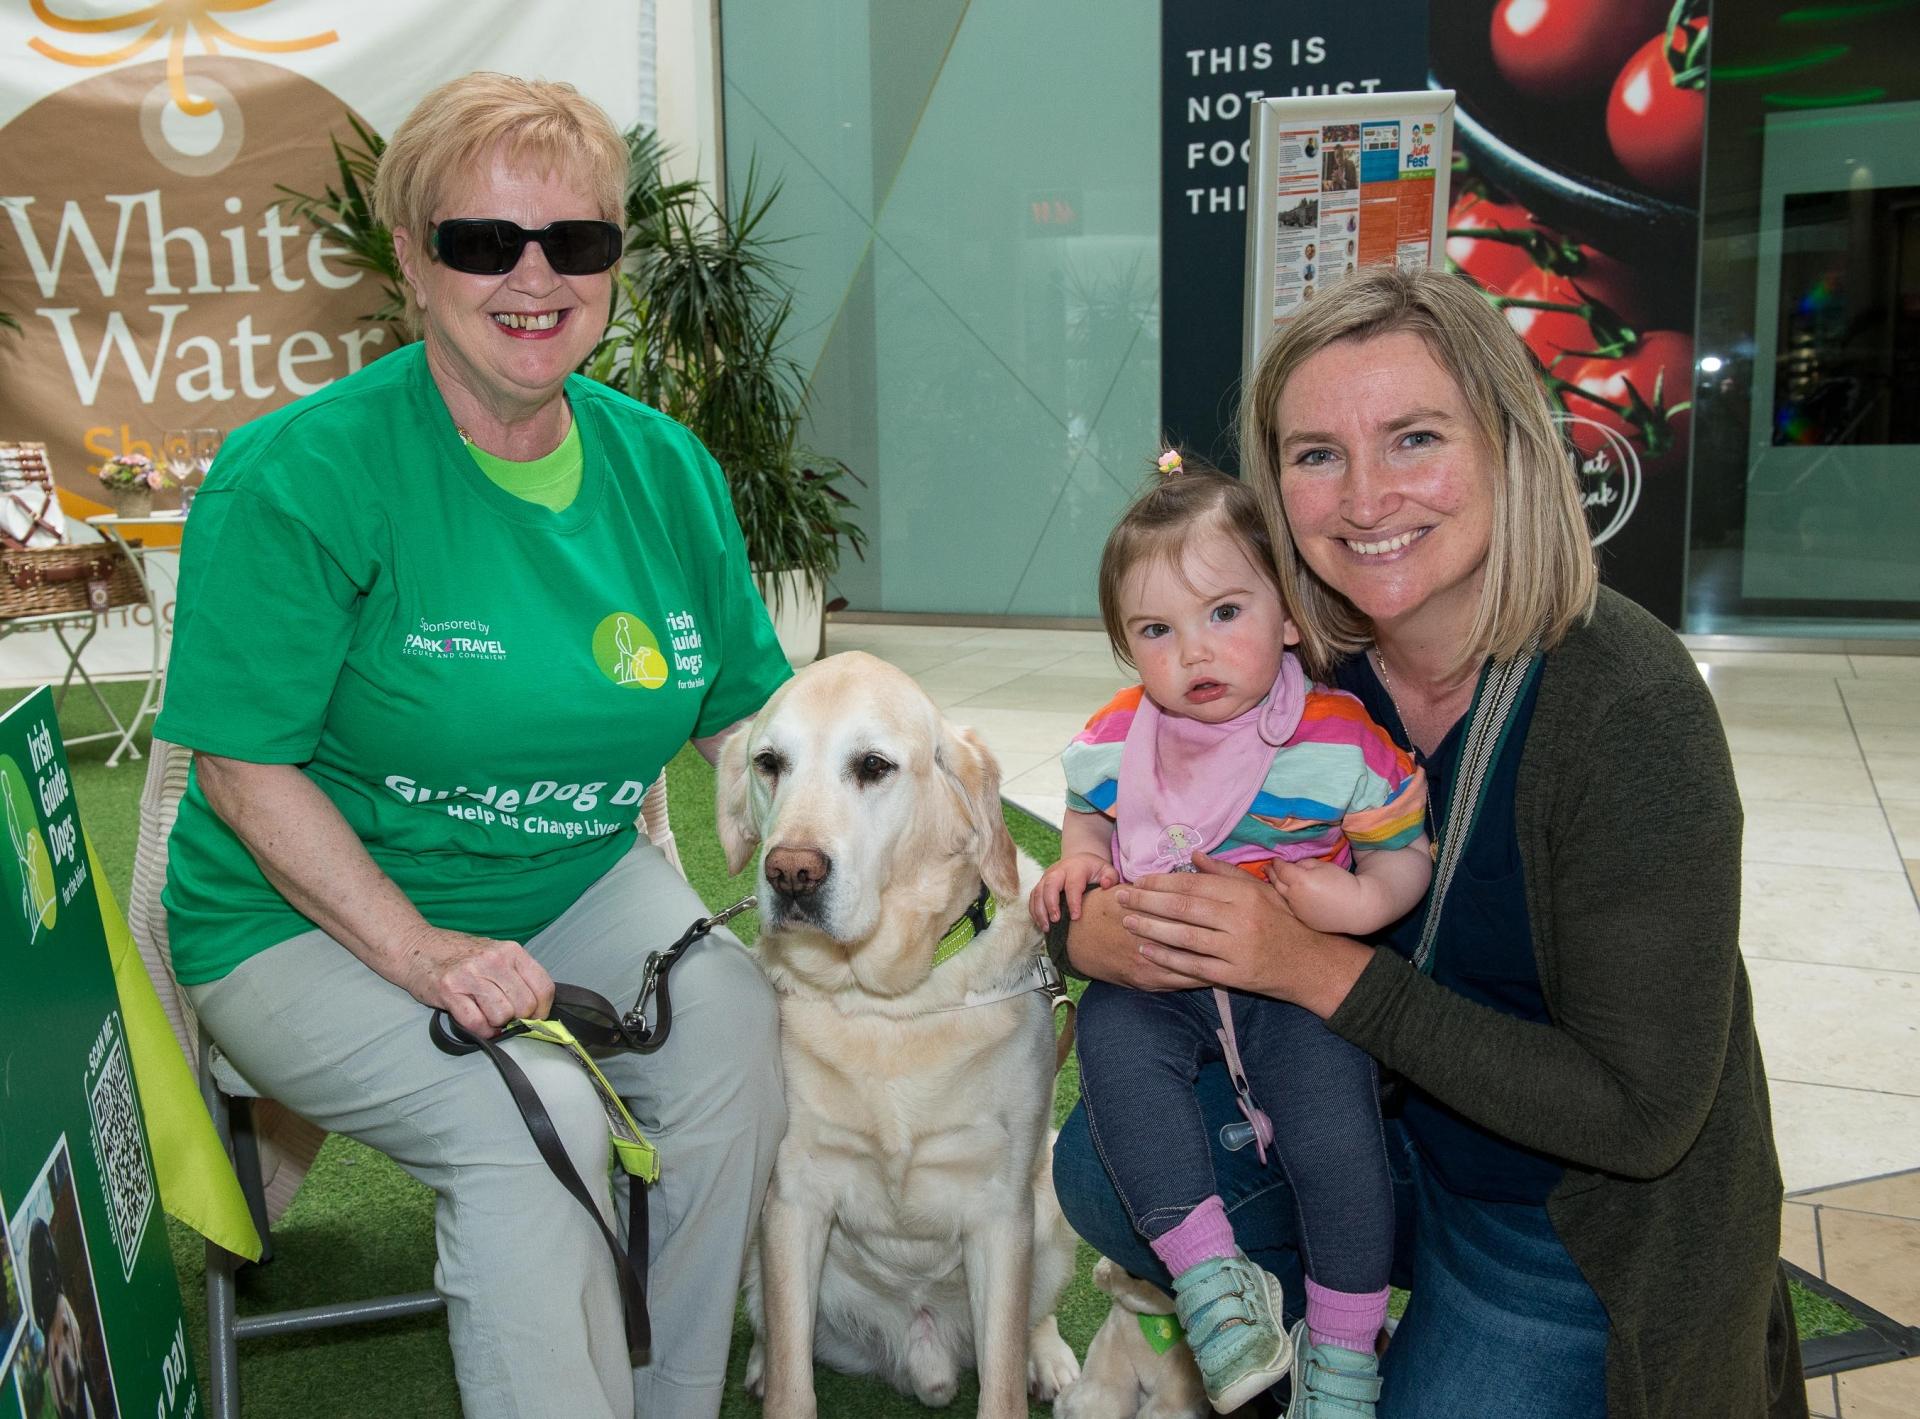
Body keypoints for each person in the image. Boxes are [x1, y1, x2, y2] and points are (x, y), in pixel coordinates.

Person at [1049, 266, 1805, 1419]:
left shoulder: (1627, 709)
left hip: (1562, 1215)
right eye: (1316, 455)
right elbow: (1124, 838)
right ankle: (1313, 1317)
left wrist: (1313, 969)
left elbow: (1641, 1118)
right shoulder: (1286, 669)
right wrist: (1098, 934)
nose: (1365, 500)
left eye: (1413, 439)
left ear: (1507, 445)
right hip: (1377, 1127)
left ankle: (1383, 1339)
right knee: (1101, 1163)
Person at [157, 73, 792, 1419]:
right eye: (482, 241)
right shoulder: (301, 473)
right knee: (528, 1119)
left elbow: (751, 716)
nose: (534, 275)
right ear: (411, 259)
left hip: (566, 880)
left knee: (738, 1033)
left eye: (577, 241)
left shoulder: (665, 468)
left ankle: (667, 1396)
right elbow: (239, 768)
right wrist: (424, 953)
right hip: (303, 923)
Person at [1029, 452, 1429, 1415]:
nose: (1193, 654)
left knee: (1335, 1138)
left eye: (1224, 614)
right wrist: (1080, 860)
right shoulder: (1121, 731)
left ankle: (1341, 1349)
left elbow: (1403, 854)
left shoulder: (1334, 739)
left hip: (1293, 989)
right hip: (1159, 983)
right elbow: (1088, 806)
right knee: (1116, 1059)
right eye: (1156, 630)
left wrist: (1358, 906)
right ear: (1126, 647)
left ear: (1288, 616)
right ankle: (1212, 1288)